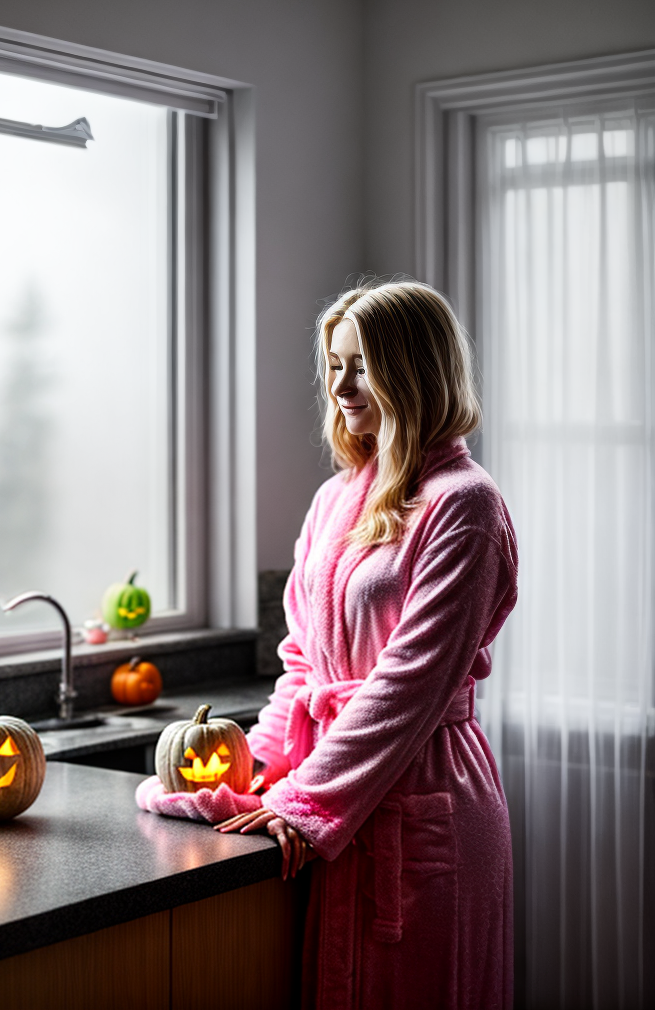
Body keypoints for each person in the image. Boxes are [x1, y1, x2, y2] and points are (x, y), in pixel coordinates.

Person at [217, 281, 517, 1009]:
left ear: (414, 370)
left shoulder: (465, 504)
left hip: (428, 793)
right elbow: (301, 658)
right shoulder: (337, 497)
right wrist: (263, 765)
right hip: (346, 790)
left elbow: (410, 683)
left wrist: (306, 798)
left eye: (362, 364)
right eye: (334, 363)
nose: (341, 384)